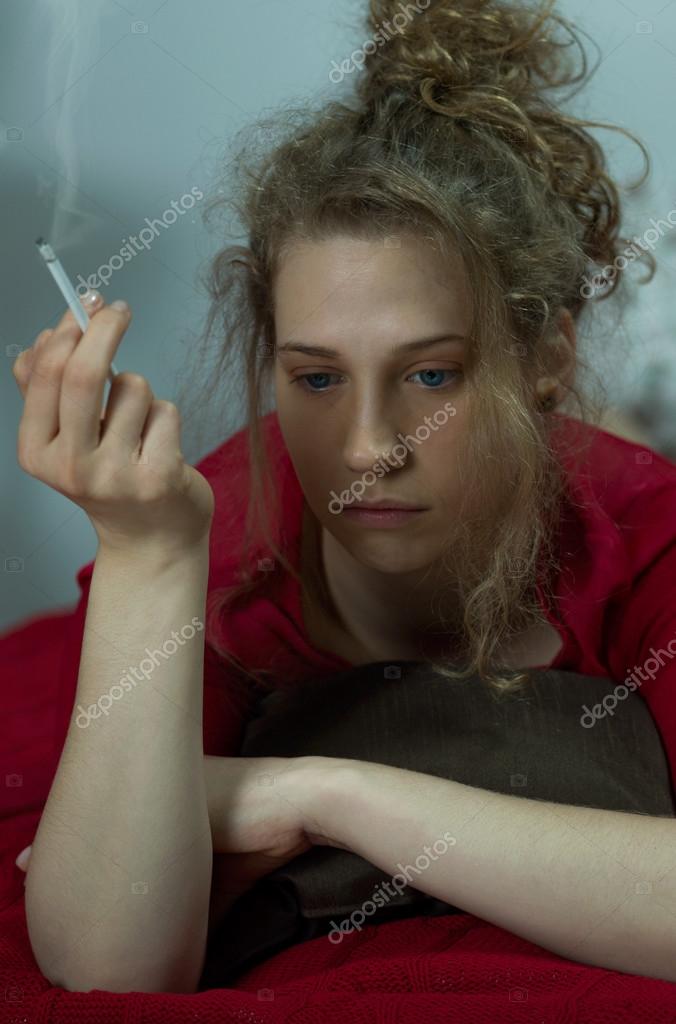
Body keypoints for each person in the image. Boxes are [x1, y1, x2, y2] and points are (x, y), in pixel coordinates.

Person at [7, 0, 676, 1015]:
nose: (367, 449)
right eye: (316, 378)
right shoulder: (214, 548)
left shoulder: (644, 530)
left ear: (546, 354)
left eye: (433, 375)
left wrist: (322, 793)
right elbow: (110, 963)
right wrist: (146, 557)